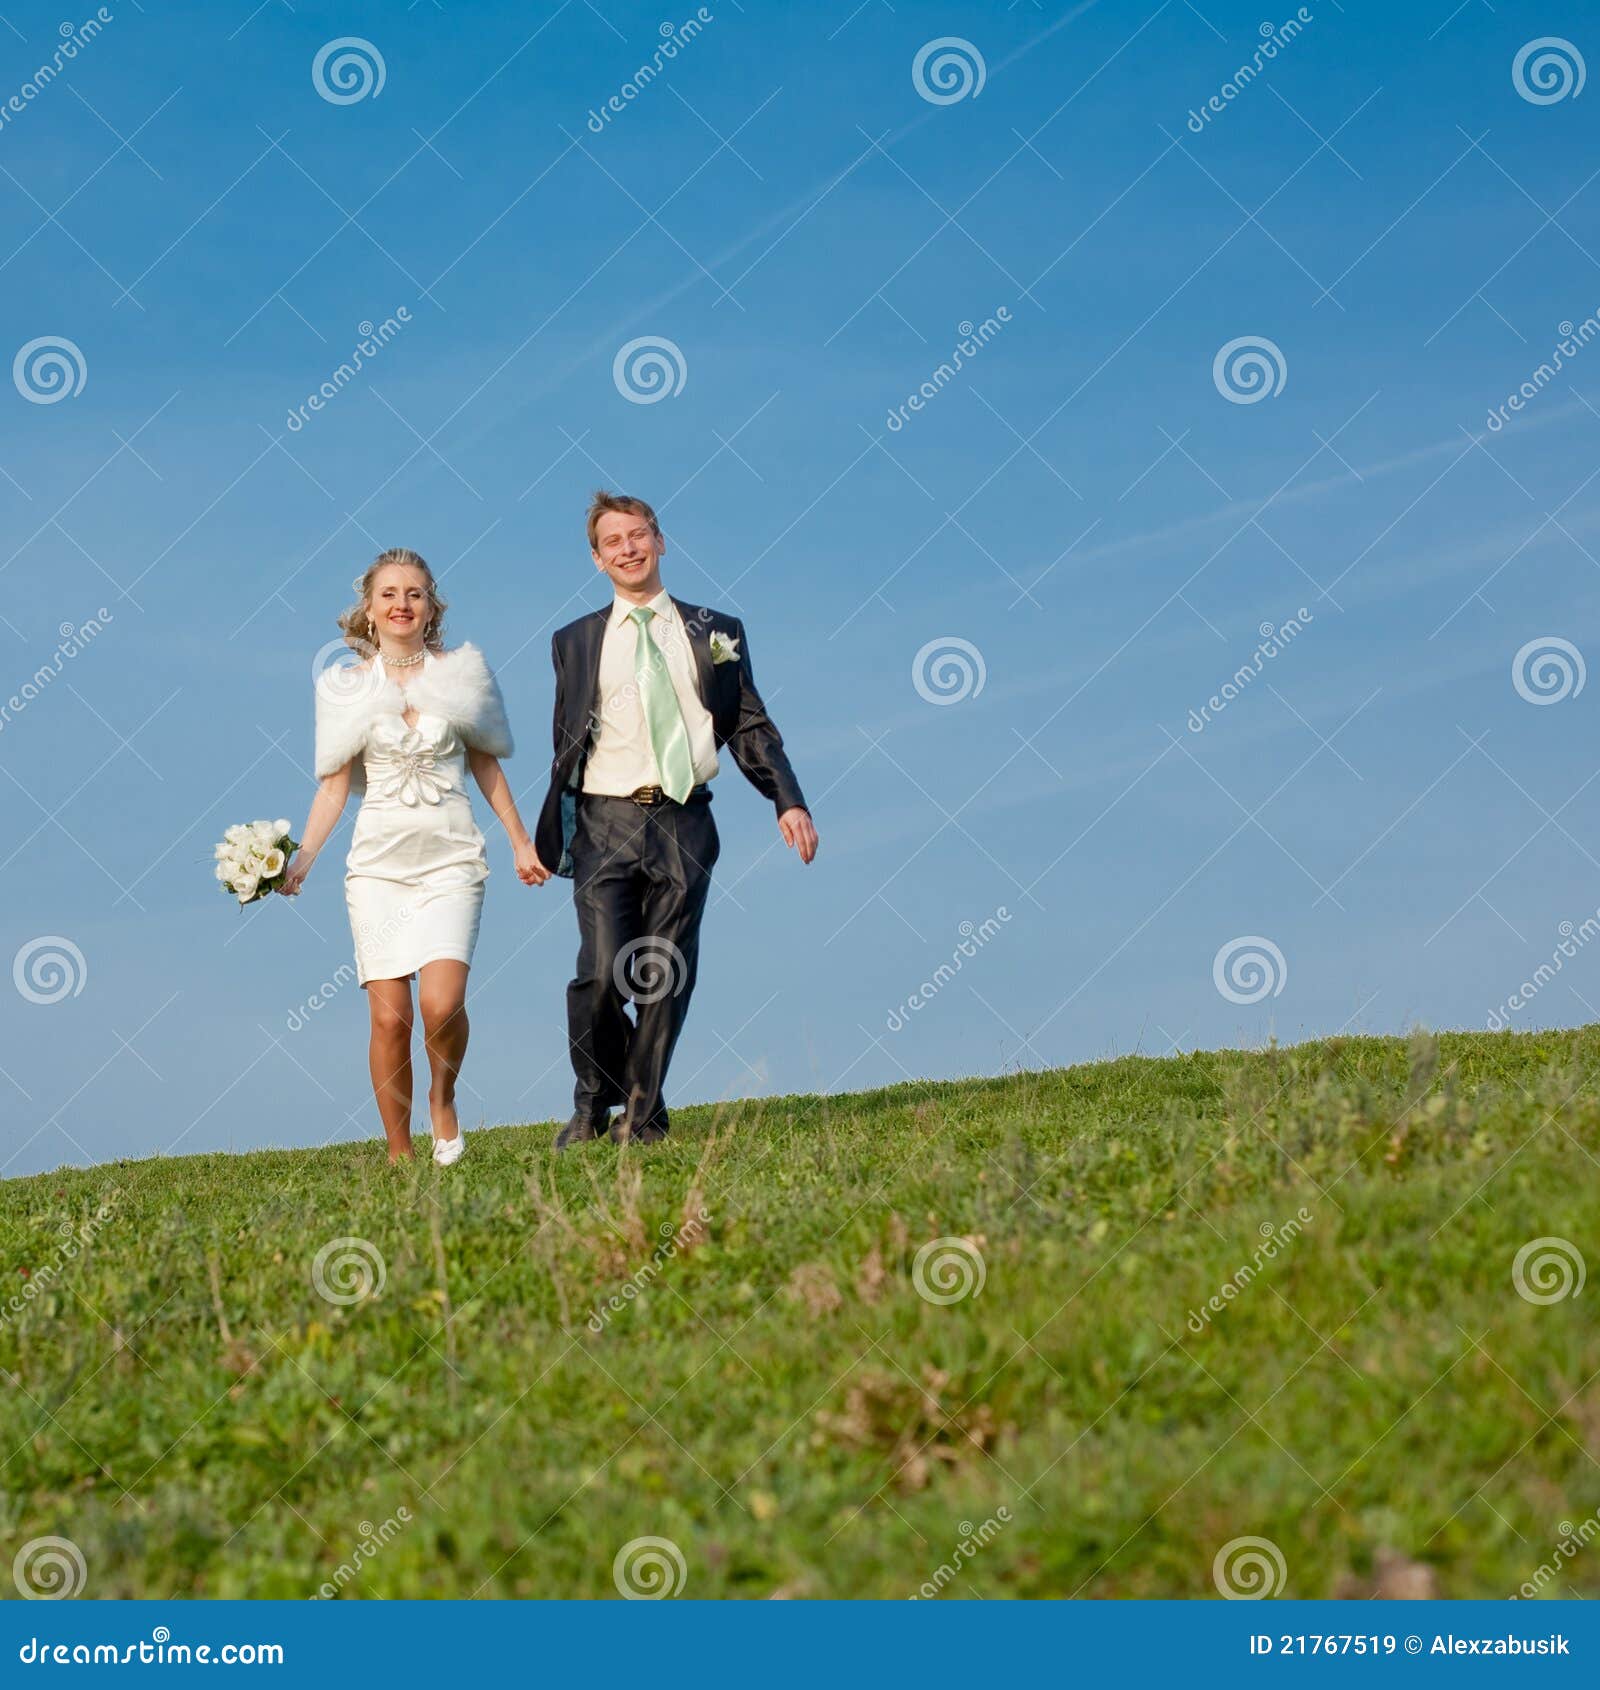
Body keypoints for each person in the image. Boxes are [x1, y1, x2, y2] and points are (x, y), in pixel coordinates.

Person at [535, 491, 818, 1150]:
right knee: (603, 971)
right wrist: (551, 830)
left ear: (660, 542)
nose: (628, 549)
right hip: (604, 820)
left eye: (639, 536)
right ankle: (592, 1099)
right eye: (614, 542)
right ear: (597, 559)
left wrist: (788, 797)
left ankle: (641, 1115)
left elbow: (749, 724)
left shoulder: (718, 630)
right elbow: (565, 741)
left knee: (662, 971)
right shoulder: (573, 640)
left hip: (685, 819)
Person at [281, 548, 548, 1165]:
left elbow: (486, 761)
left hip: (452, 860)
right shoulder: (344, 688)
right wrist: (304, 858)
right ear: (369, 611)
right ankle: (400, 1155)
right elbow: (333, 784)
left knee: (440, 1003)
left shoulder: (463, 674)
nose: (402, 604)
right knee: (390, 1019)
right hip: (377, 868)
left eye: (415, 594)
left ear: (432, 608)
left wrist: (520, 841)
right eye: (389, 595)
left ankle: (443, 1096)